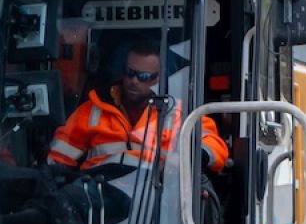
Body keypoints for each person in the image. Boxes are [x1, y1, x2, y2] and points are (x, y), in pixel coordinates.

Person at [48, 41, 228, 173]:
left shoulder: (179, 114)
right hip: (99, 194)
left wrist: (187, 158)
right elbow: (59, 156)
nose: (134, 81)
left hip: (153, 198)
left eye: (144, 77)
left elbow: (214, 146)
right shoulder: (93, 109)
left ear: (159, 79)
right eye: (130, 73)